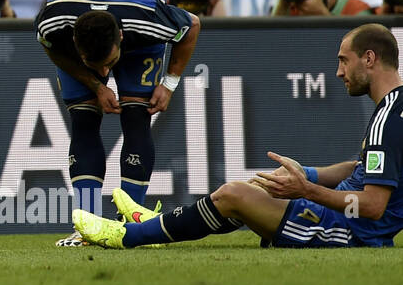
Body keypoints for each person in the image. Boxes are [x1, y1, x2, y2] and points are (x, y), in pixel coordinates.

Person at [76, 23, 403, 250]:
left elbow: (374, 206)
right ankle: (156, 224)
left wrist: (307, 190)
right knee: (261, 185)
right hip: (349, 221)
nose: (339, 72)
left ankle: (125, 235)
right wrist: (306, 174)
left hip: (353, 231)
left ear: (369, 58)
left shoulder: (388, 116)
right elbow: (359, 168)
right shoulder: (393, 108)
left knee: (234, 195)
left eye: (344, 61)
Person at [36, 0, 201, 247]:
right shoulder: (54, 21)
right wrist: (96, 86)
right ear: (75, 40)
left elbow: (193, 25)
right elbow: (51, 48)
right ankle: (86, 226)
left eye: (109, 64)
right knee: (84, 119)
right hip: (80, 17)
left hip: (137, 32)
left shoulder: (148, 19)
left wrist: (170, 83)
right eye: (94, 65)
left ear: (120, 38)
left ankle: (132, 225)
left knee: (136, 114)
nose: (104, 72)